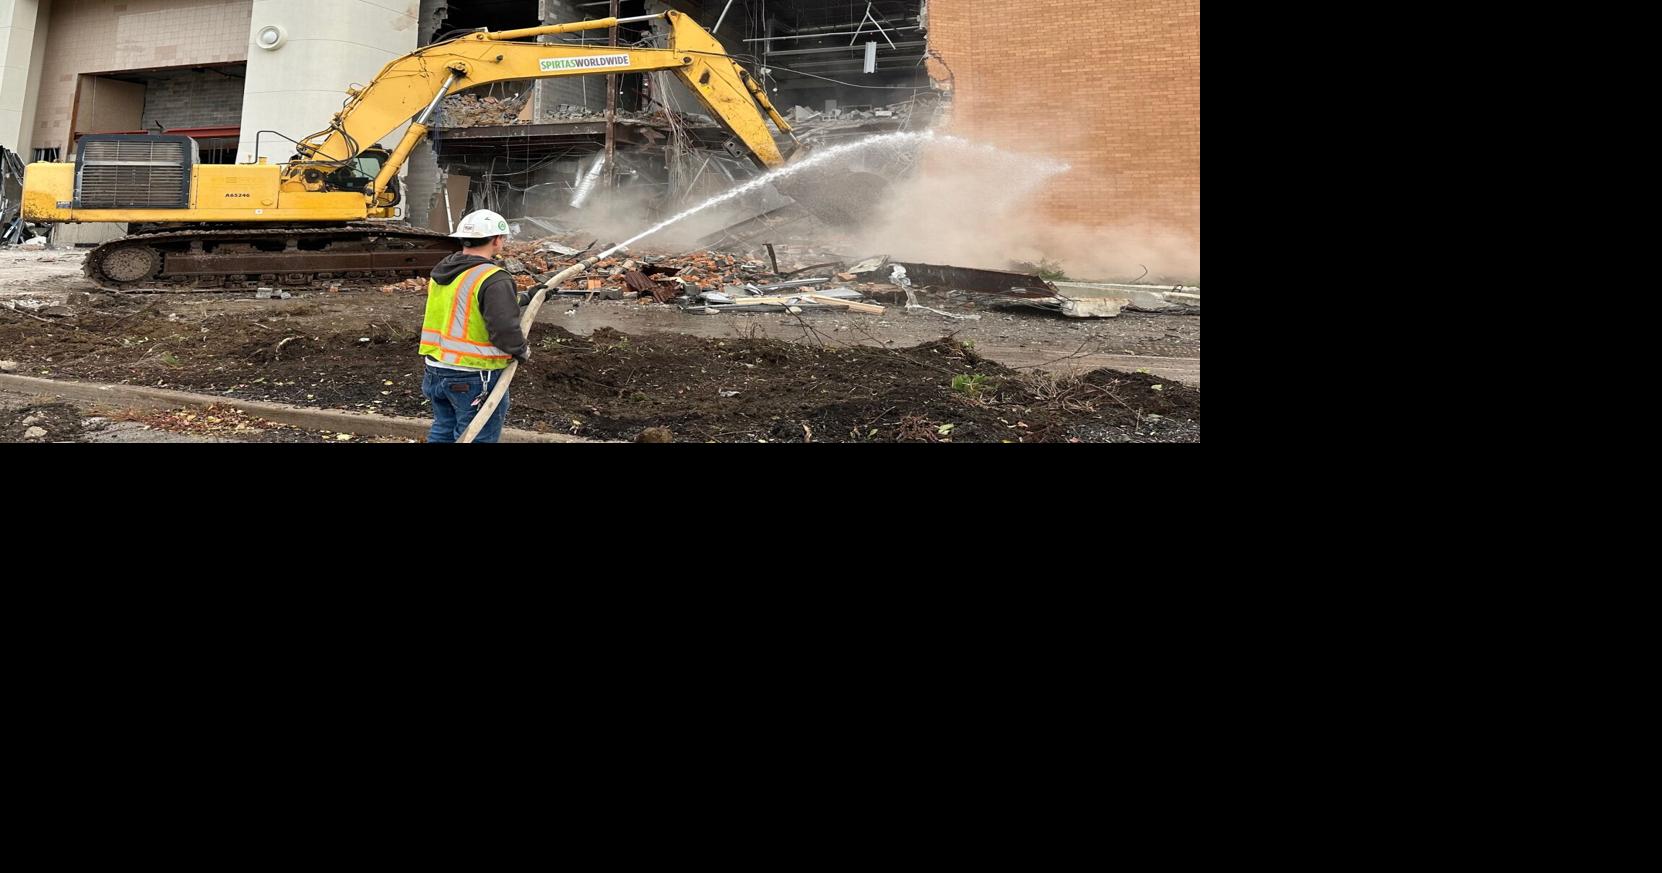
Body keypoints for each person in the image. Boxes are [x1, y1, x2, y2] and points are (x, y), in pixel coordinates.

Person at [418, 209, 530, 443]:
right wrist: (520, 350)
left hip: (436, 370)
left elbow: (468, 305)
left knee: (443, 432)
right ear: (497, 240)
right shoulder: (493, 277)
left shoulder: (444, 271)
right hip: (473, 375)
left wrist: (525, 298)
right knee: (477, 437)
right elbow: (504, 329)